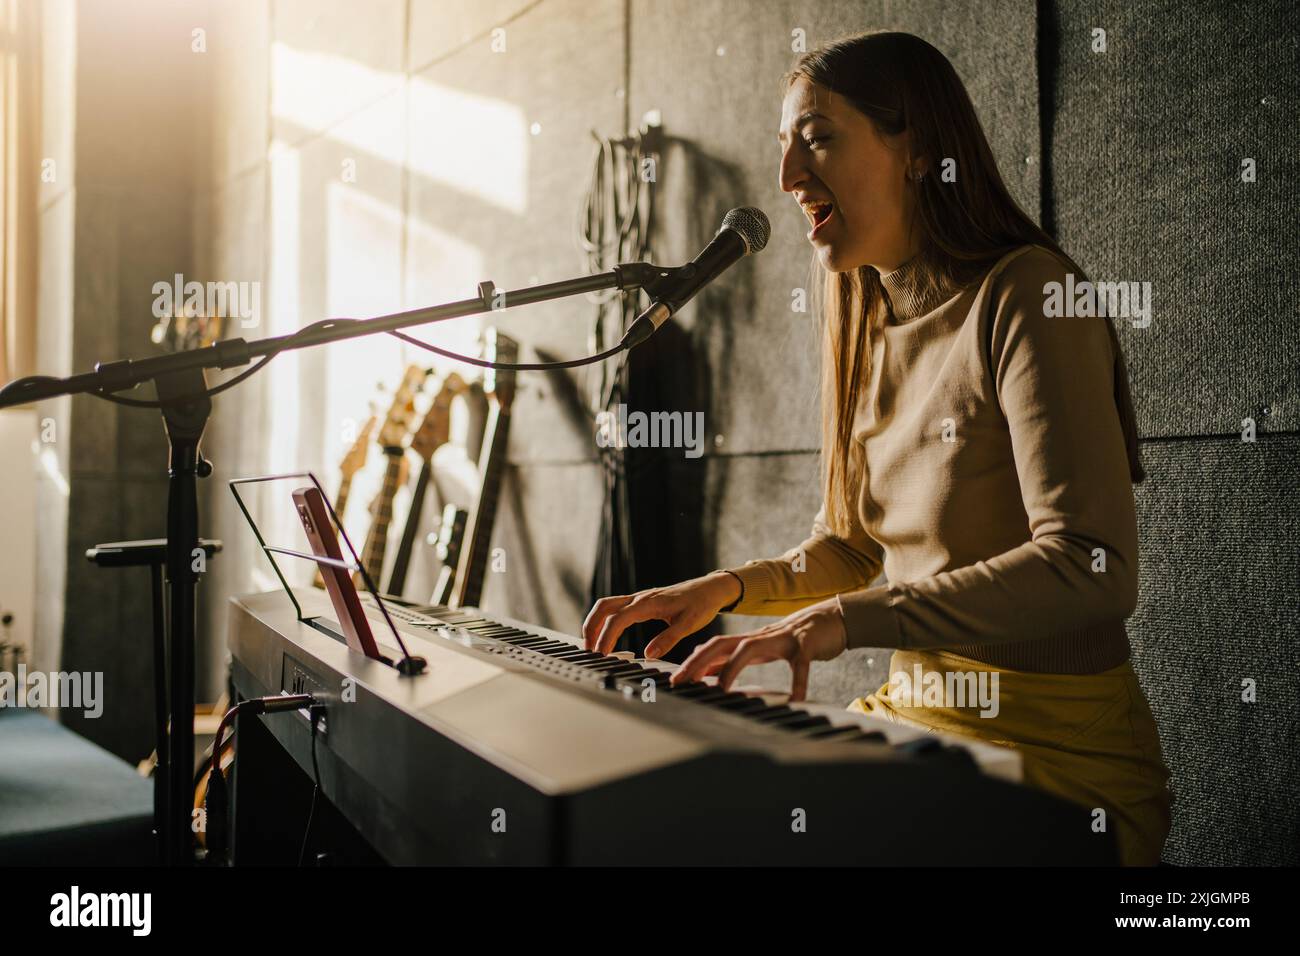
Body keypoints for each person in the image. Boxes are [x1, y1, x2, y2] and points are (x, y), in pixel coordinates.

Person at [581, 31, 1173, 866]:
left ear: (920, 149)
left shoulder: (1035, 294)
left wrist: (841, 622)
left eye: (817, 138)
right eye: (784, 147)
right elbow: (854, 545)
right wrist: (723, 589)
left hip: (1058, 766)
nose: (788, 178)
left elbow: (1090, 563)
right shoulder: (863, 310)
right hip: (917, 719)